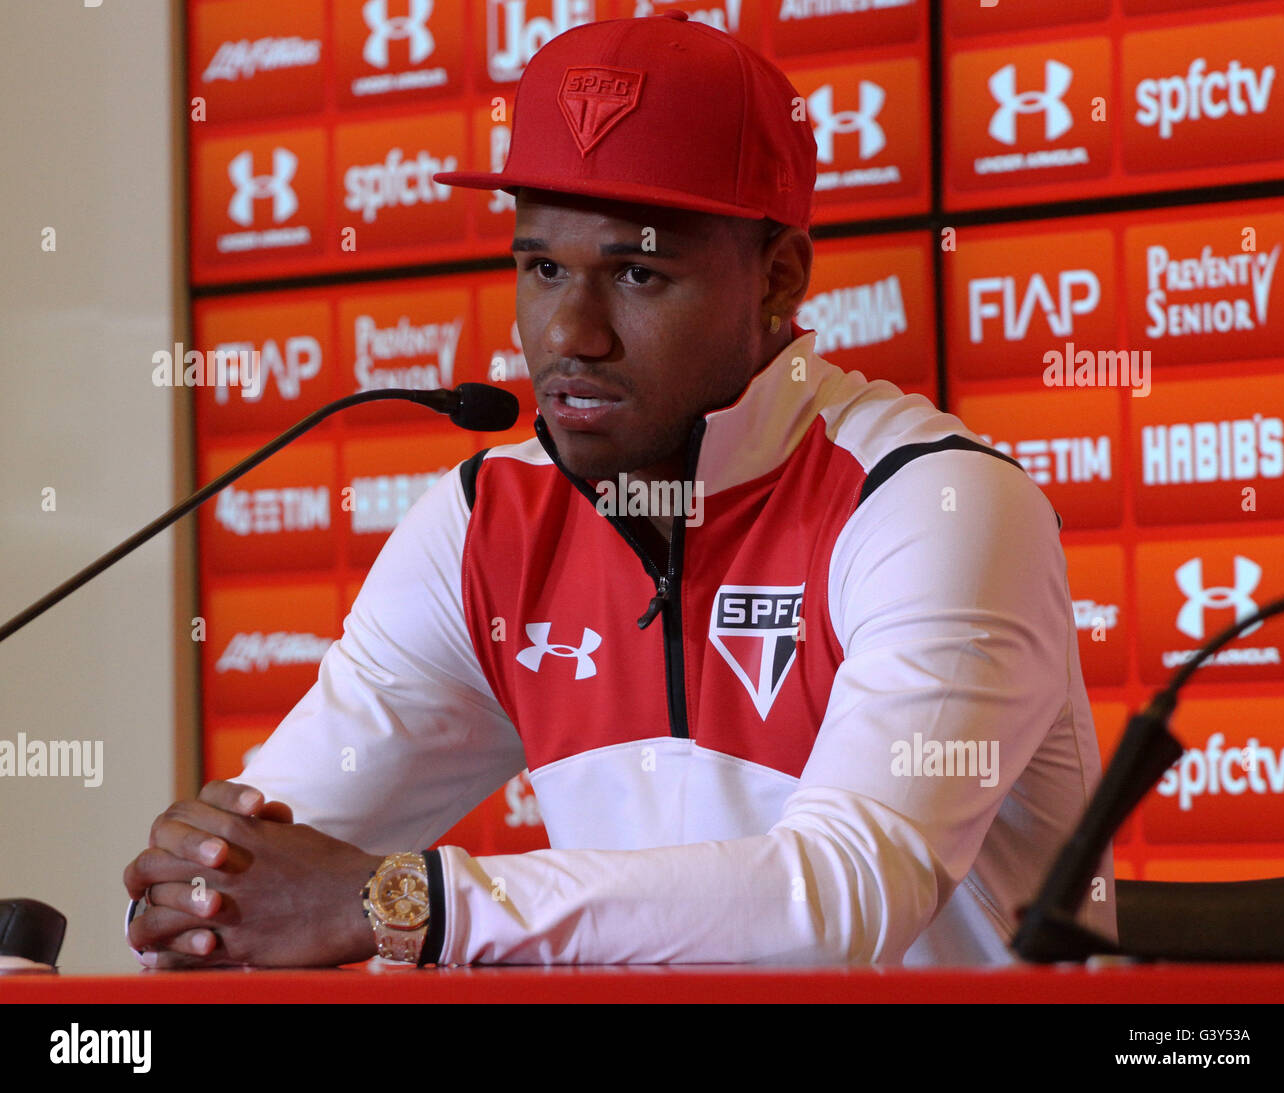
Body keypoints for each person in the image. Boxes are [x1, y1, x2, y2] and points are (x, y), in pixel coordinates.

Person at [124, 11, 1116, 968]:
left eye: (636, 275)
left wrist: (410, 903)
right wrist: (207, 880)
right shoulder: (486, 521)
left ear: (780, 278)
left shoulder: (931, 502)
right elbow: (264, 867)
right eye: (542, 266)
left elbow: (843, 901)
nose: (569, 334)